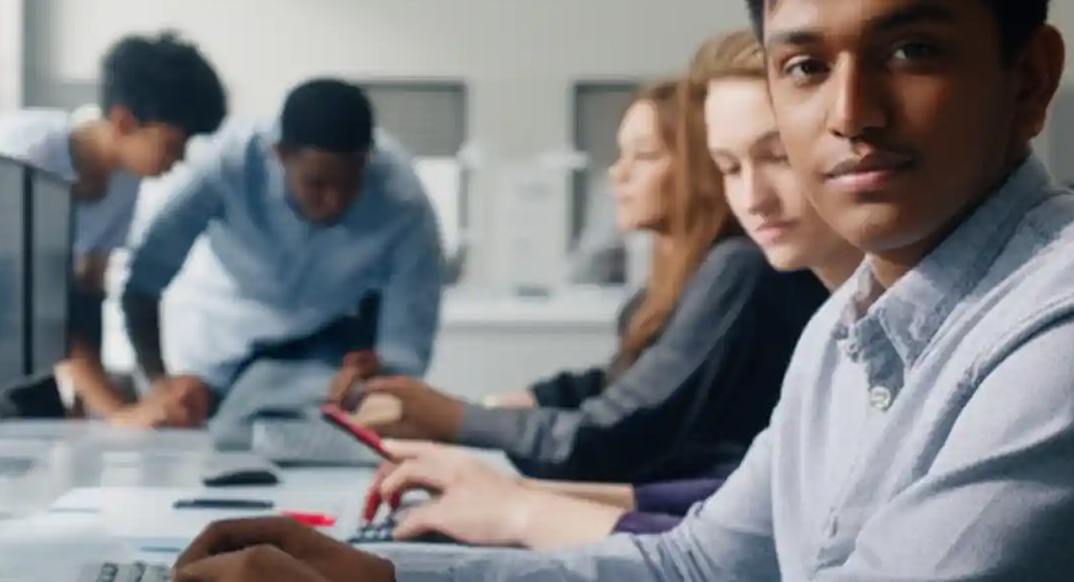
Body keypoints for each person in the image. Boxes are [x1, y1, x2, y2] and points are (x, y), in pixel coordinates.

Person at [164, 0, 1074, 582]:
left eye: (910, 52)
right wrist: (384, 577)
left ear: (1029, 81)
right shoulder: (843, 331)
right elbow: (691, 568)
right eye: (807, 67)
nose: (851, 115)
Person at [361, 31, 863, 549]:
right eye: (730, 166)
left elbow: (626, 446)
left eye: (777, 156)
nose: (753, 196)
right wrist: (515, 491)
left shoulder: (749, 271)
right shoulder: (830, 325)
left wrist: (503, 482)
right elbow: (732, 506)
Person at [121, 78, 444, 425]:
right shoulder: (226, 163)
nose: (334, 202)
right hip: (223, 337)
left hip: (326, 346)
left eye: (349, 184)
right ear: (279, 156)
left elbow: (405, 344)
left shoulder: (403, 201)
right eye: (317, 184)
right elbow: (143, 283)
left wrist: (380, 372)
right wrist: (160, 383)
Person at [0, 31, 227, 428]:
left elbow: (87, 290)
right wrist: (119, 411)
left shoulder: (125, 178)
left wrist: (96, 398)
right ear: (124, 122)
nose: (179, 160)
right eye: (172, 145)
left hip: (23, 321)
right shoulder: (20, 158)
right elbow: (27, 307)